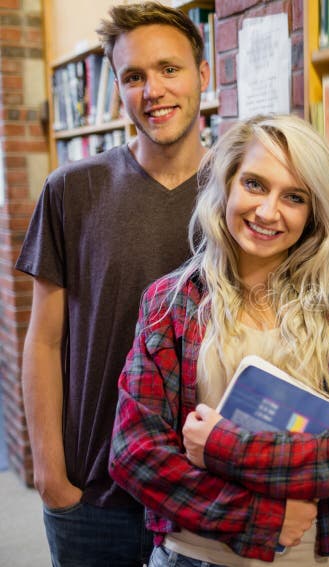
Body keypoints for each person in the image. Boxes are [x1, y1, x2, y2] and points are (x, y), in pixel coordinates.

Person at [108, 114, 329, 566]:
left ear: (314, 212)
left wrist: (226, 447)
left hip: (309, 558)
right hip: (192, 556)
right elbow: (134, 453)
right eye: (255, 185)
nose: (267, 212)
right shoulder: (171, 302)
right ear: (227, 184)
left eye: (294, 197)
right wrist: (259, 519)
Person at [15, 3, 210, 565]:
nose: (153, 90)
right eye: (133, 77)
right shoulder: (71, 190)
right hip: (93, 499)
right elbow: (44, 339)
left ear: (202, 75)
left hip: (203, 499)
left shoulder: (240, 199)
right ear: (119, 88)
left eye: (169, 69)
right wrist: (51, 474)